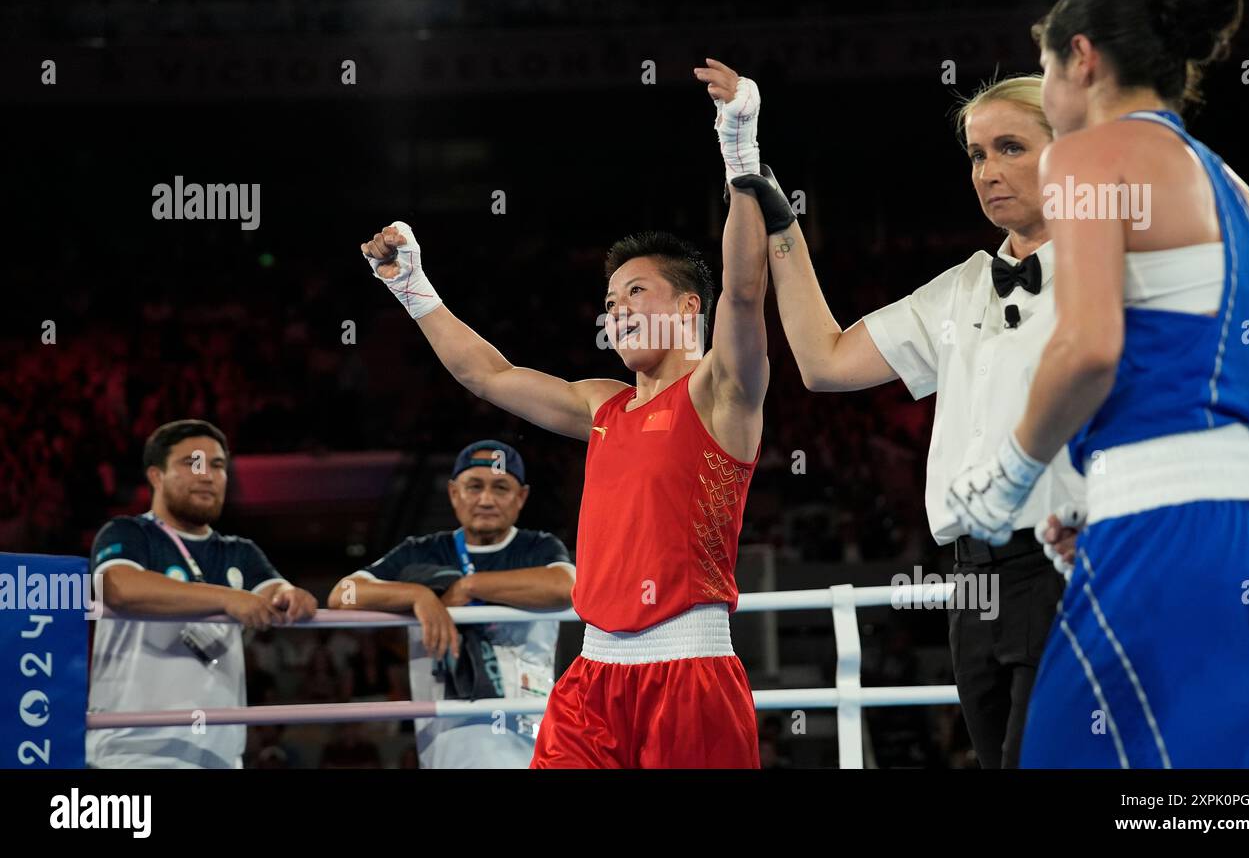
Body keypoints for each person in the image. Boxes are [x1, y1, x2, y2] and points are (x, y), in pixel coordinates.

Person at [358, 58, 771, 767]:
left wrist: (741, 149)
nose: (616, 311)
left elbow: (742, 289)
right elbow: (486, 373)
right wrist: (412, 287)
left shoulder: (720, 391)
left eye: (635, 292)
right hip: (591, 677)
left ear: (686, 309)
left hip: (690, 673)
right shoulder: (601, 404)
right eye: (610, 302)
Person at [946, 0, 1249, 767]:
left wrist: (1005, 477)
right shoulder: (1241, 194)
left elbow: (1090, 346)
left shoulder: (1085, 156)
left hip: (1175, 524)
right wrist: (1111, 497)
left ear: (1083, 58)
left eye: (1042, 67)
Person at [730, 72, 1086, 767]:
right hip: (971, 582)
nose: (987, 172)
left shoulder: (1112, 277)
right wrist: (783, 229)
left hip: (1072, 569)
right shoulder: (958, 289)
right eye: (977, 155)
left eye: (1010, 147)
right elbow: (824, 361)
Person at [328, 440, 575, 768]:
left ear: (521, 498)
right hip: (449, 731)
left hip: (527, 730)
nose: (486, 499)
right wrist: (419, 596)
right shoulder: (422, 552)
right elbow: (342, 594)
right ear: (453, 493)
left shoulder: (539, 547)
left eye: (500, 487)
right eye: (475, 486)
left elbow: (568, 585)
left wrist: (469, 585)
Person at [88, 419, 317, 768]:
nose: (207, 475)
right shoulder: (129, 533)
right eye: (192, 463)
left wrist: (295, 598)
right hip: (130, 752)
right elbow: (117, 587)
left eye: (217, 465)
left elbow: (278, 592)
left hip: (218, 756)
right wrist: (226, 597)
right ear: (156, 476)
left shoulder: (240, 552)